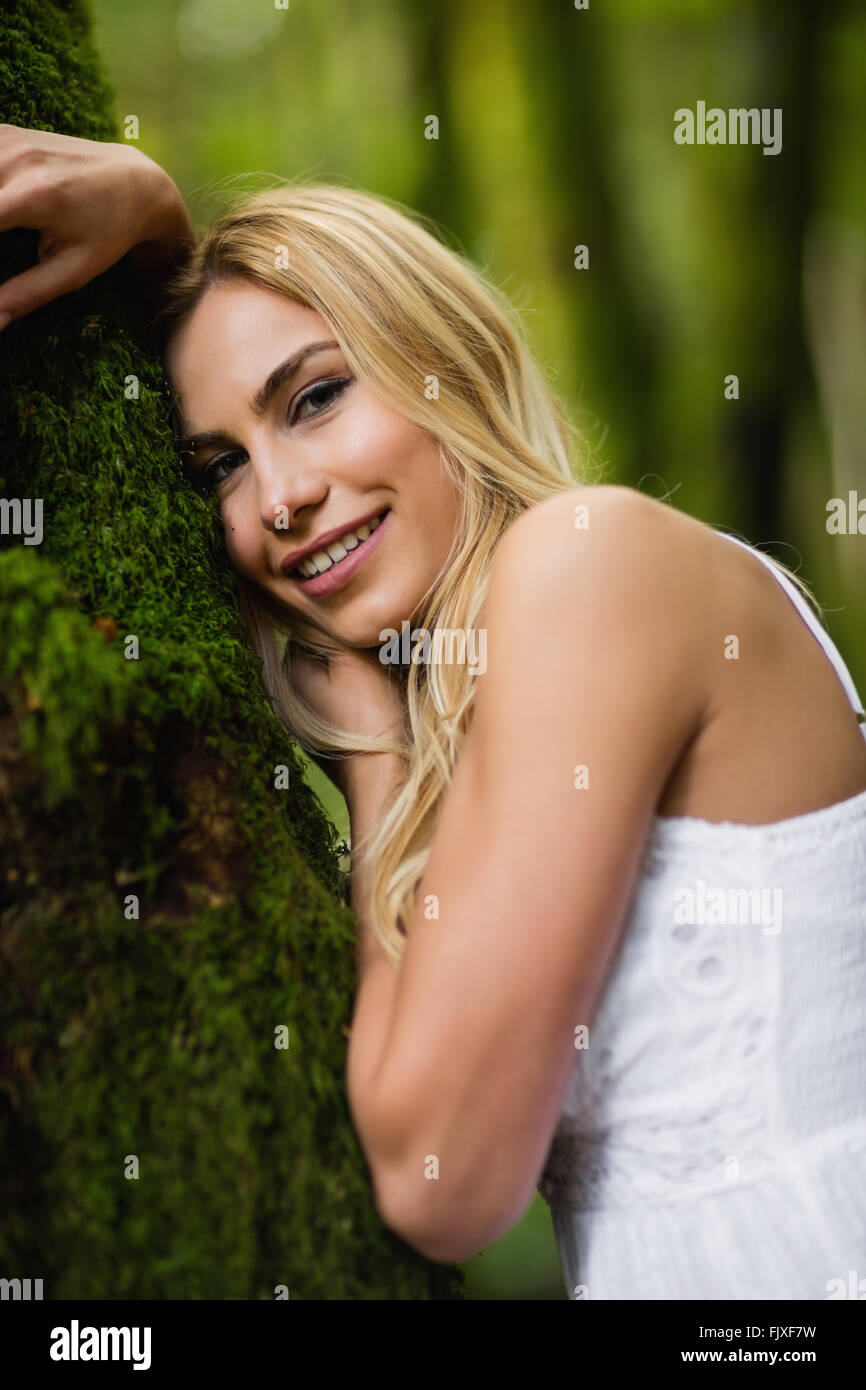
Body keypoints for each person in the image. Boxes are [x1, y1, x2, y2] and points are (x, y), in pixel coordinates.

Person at [2, 124, 865, 1299]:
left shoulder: (588, 557)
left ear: (443, 363)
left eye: (314, 398)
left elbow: (436, 1180)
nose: (282, 500)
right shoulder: (516, 701)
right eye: (219, 469)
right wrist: (157, 232)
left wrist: (372, 753)